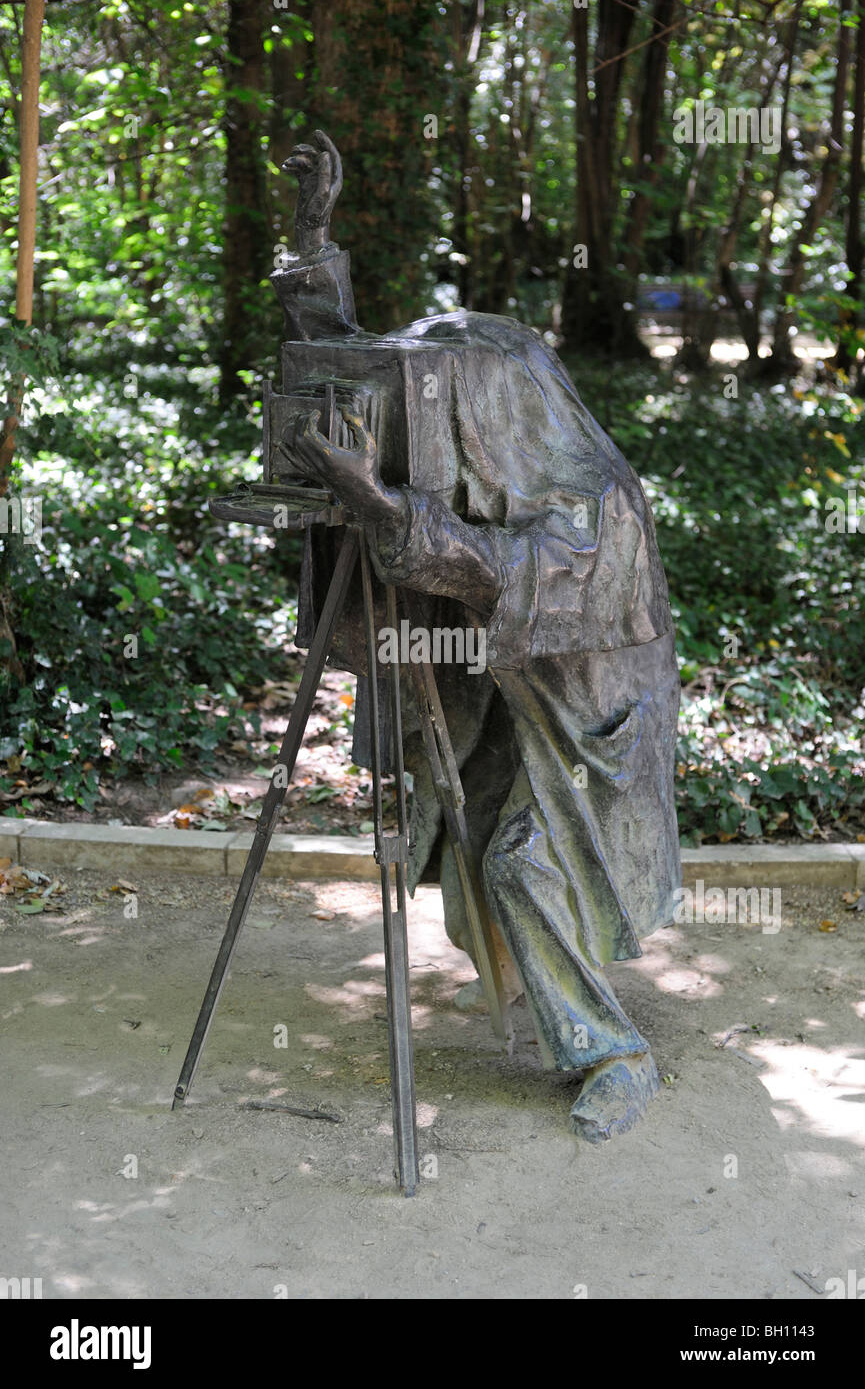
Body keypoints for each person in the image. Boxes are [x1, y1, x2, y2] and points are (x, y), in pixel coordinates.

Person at [274, 132, 681, 1142]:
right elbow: (362, 373)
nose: (432, 439)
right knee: (467, 826)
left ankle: (614, 1052)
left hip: (590, 737)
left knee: (523, 865)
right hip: (508, 696)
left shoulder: (599, 505)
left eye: (452, 415)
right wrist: (312, 242)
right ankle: (535, 994)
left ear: (502, 417)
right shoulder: (505, 475)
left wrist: (387, 509)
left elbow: (500, 571)